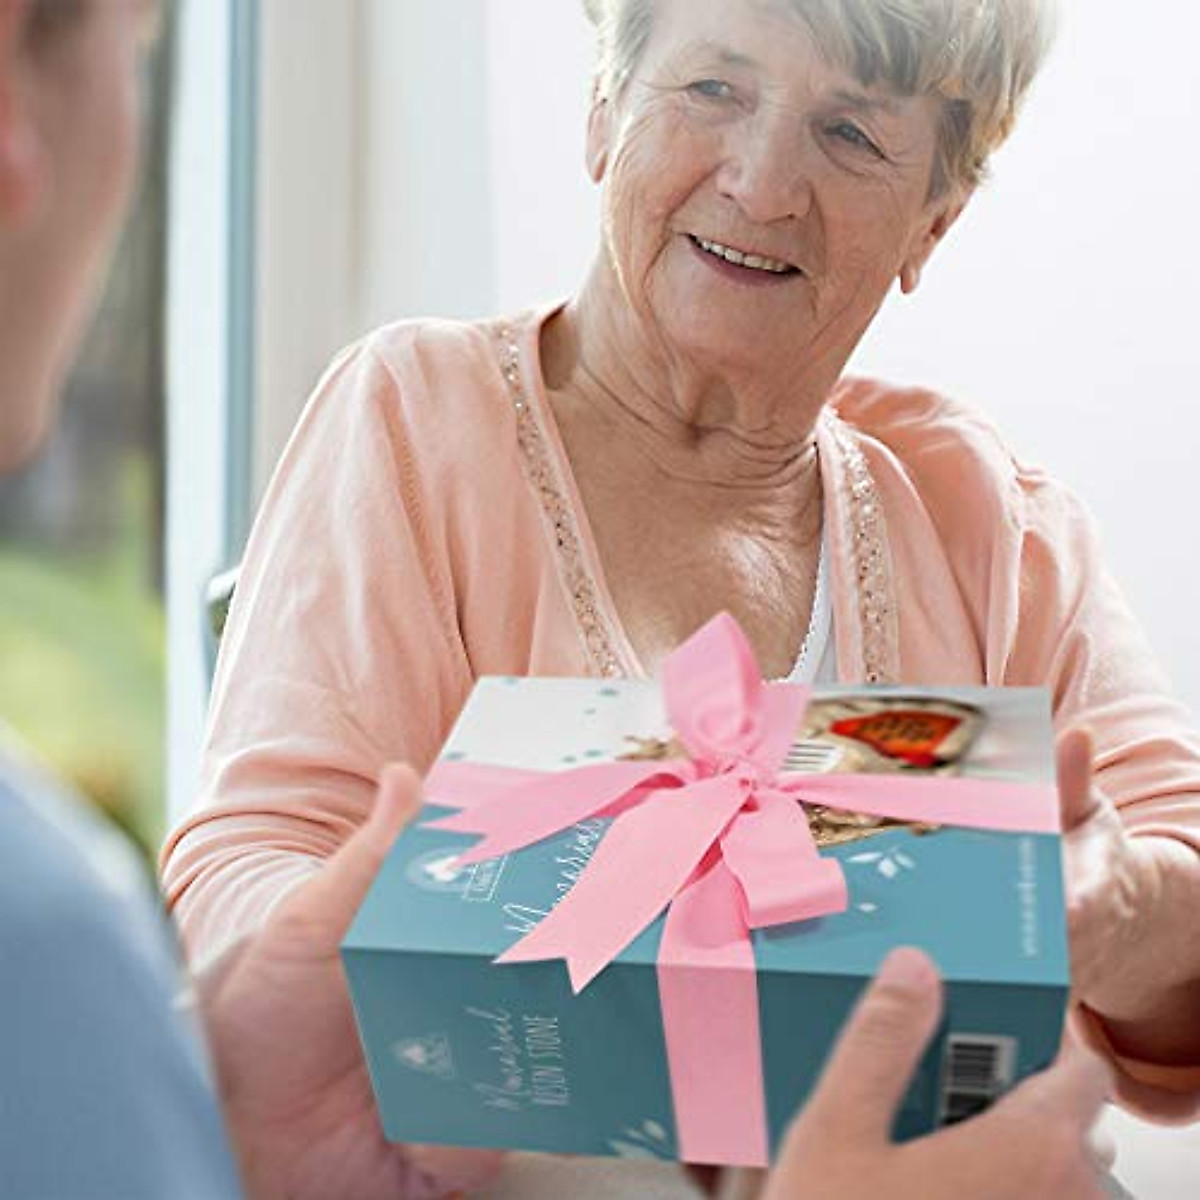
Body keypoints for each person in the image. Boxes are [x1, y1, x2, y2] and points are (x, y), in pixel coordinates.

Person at [0, 1, 1152, 1198]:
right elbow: (256, 864)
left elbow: (1173, 905)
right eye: (712, 88)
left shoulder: (990, 515)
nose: (762, 186)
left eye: (852, 134)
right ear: (603, 108)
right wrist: (475, 986)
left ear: (937, 217)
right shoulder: (416, 413)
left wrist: (1106, 904)